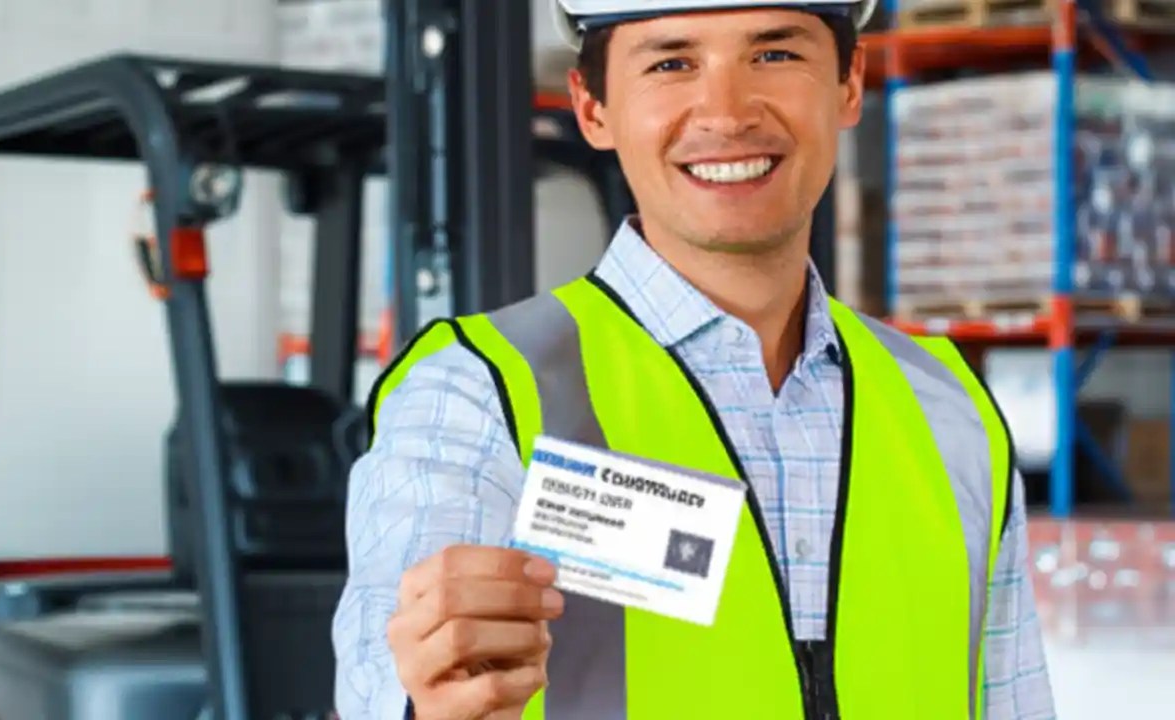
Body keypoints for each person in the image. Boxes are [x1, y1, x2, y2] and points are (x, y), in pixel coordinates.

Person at [333, 0, 1056, 717]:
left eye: (775, 54)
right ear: (593, 108)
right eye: (671, 63)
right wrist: (425, 697)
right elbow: (386, 675)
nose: (726, 112)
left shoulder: (947, 409)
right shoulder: (480, 396)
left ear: (849, 83)